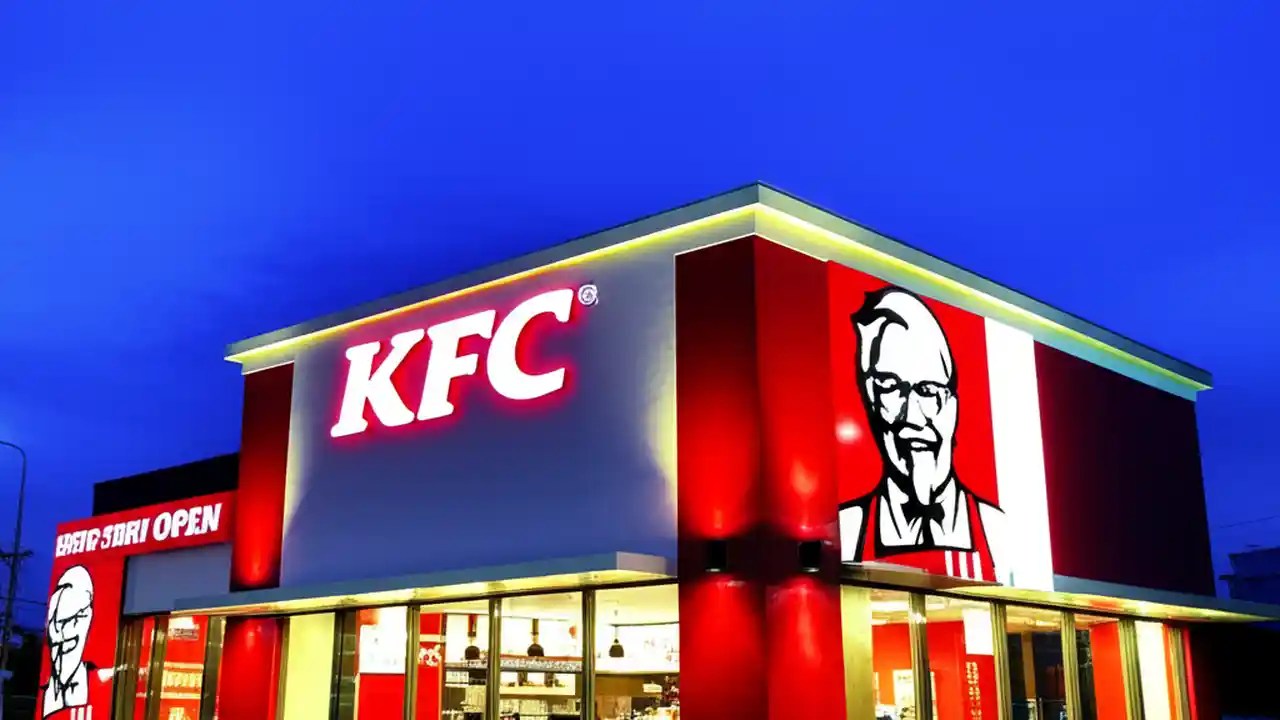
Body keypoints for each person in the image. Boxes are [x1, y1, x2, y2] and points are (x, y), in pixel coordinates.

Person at [838, 287, 1004, 583]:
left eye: (928, 390)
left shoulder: (998, 533)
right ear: (871, 401)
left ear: (952, 407)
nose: (912, 416)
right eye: (891, 387)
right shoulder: (846, 532)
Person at [43, 565, 94, 717]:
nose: (62, 634)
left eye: (76, 618)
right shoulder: (46, 692)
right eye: (58, 622)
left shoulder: (95, 683)